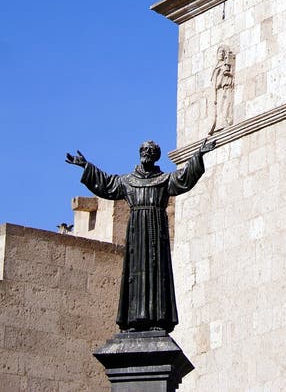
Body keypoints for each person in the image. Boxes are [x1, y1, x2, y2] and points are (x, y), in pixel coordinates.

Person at [66, 137, 214, 333]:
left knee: (156, 273)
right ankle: (133, 320)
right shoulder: (128, 181)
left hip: (156, 234)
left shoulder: (163, 180)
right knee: (134, 275)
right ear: (140, 154)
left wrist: (198, 155)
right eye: (144, 151)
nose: (147, 155)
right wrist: (86, 166)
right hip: (136, 234)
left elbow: (183, 178)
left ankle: (158, 318)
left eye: (151, 152)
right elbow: (107, 184)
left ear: (155, 157)